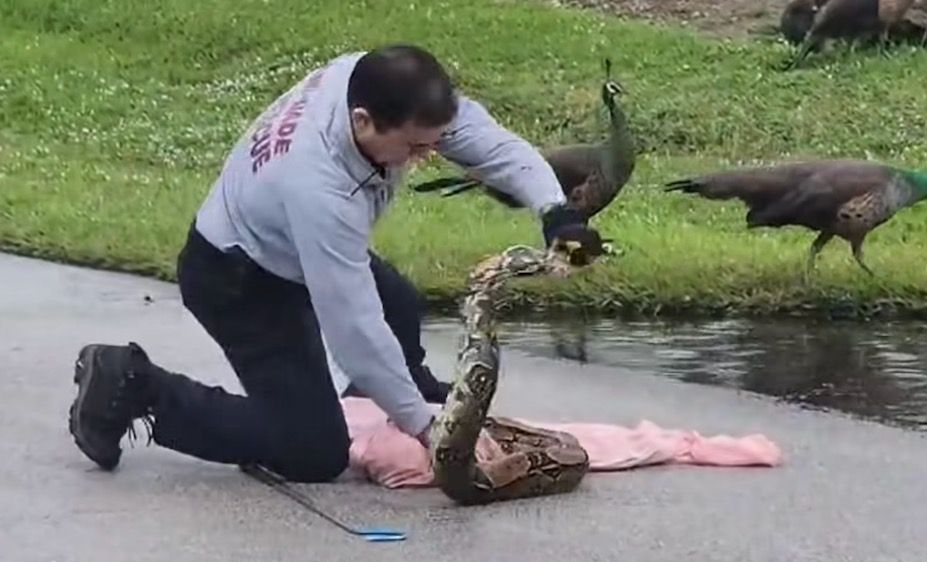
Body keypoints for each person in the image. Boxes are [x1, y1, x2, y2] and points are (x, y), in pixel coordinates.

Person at [67, 43, 603, 483]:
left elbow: (491, 145)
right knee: (312, 451)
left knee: (397, 301)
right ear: (364, 122)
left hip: (286, 245)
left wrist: (557, 214)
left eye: (432, 143)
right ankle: (136, 384)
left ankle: (396, 388)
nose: (424, 159)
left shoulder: (369, 81)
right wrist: (426, 431)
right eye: (415, 148)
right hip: (237, 281)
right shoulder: (320, 187)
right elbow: (352, 329)